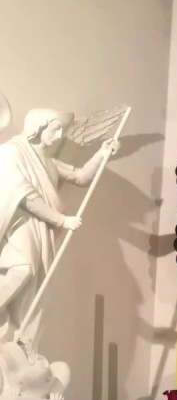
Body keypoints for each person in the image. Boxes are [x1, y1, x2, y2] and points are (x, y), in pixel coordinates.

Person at [0, 109, 116, 346]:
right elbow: (25, 196)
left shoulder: (48, 161)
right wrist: (61, 220)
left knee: (36, 294)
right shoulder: (11, 151)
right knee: (22, 267)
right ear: (38, 127)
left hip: (46, 232)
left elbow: (80, 177)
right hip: (23, 224)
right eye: (56, 129)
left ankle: (25, 347)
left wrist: (101, 154)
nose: (61, 135)